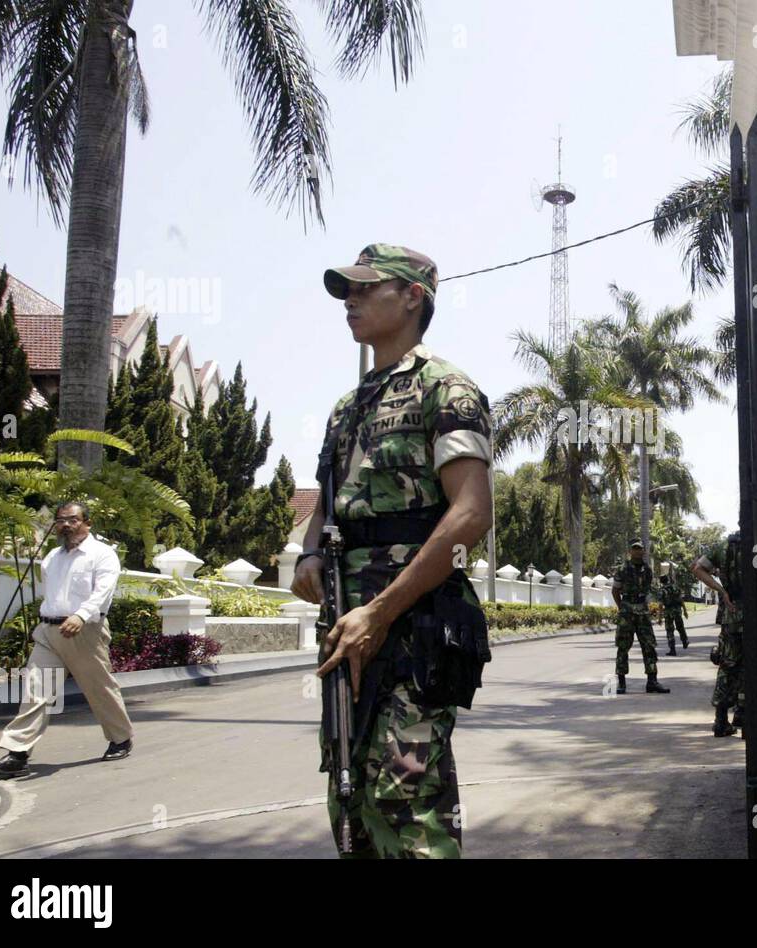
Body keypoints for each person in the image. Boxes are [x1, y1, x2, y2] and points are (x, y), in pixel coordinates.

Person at [292, 244, 493, 859]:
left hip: (411, 635)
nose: (349, 300)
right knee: (351, 805)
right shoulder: (344, 408)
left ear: (412, 296)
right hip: (345, 633)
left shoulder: (446, 389)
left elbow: (471, 514)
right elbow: (324, 508)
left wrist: (379, 613)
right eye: (345, 290)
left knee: (408, 809)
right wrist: (307, 555)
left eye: (364, 288)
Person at [0, 502, 133, 778]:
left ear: (88, 523)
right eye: (60, 520)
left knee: (99, 688)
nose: (66, 525)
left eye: (72, 520)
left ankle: (121, 738)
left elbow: (103, 592)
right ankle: (17, 754)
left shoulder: (102, 554)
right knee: (36, 690)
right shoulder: (52, 558)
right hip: (49, 633)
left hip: (84, 631)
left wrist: (81, 615)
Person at [692, 534, 743, 738]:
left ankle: (721, 720)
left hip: (731, 614)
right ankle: (743, 713)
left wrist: (722, 591)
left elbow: (697, 568)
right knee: (753, 664)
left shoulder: (723, 547)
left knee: (728, 665)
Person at [611, 540, 670, 695]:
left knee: (649, 645)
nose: (637, 551)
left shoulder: (648, 570)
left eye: (640, 549)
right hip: (627, 611)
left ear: (644, 551)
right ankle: (621, 683)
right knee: (623, 646)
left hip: (643, 611)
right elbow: (615, 591)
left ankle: (652, 681)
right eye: (634, 549)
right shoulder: (622, 569)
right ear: (630, 551)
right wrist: (622, 607)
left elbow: (648, 590)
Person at [658, 564, 689, 655]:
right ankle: (685, 641)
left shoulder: (662, 590)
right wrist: (685, 610)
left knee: (669, 630)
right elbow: (681, 599)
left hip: (668, 612)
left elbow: (660, 605)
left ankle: (672, 649)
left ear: (661, 582)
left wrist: (660, 617)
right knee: (680, 627)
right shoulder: (675, 587)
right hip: (677, 610)